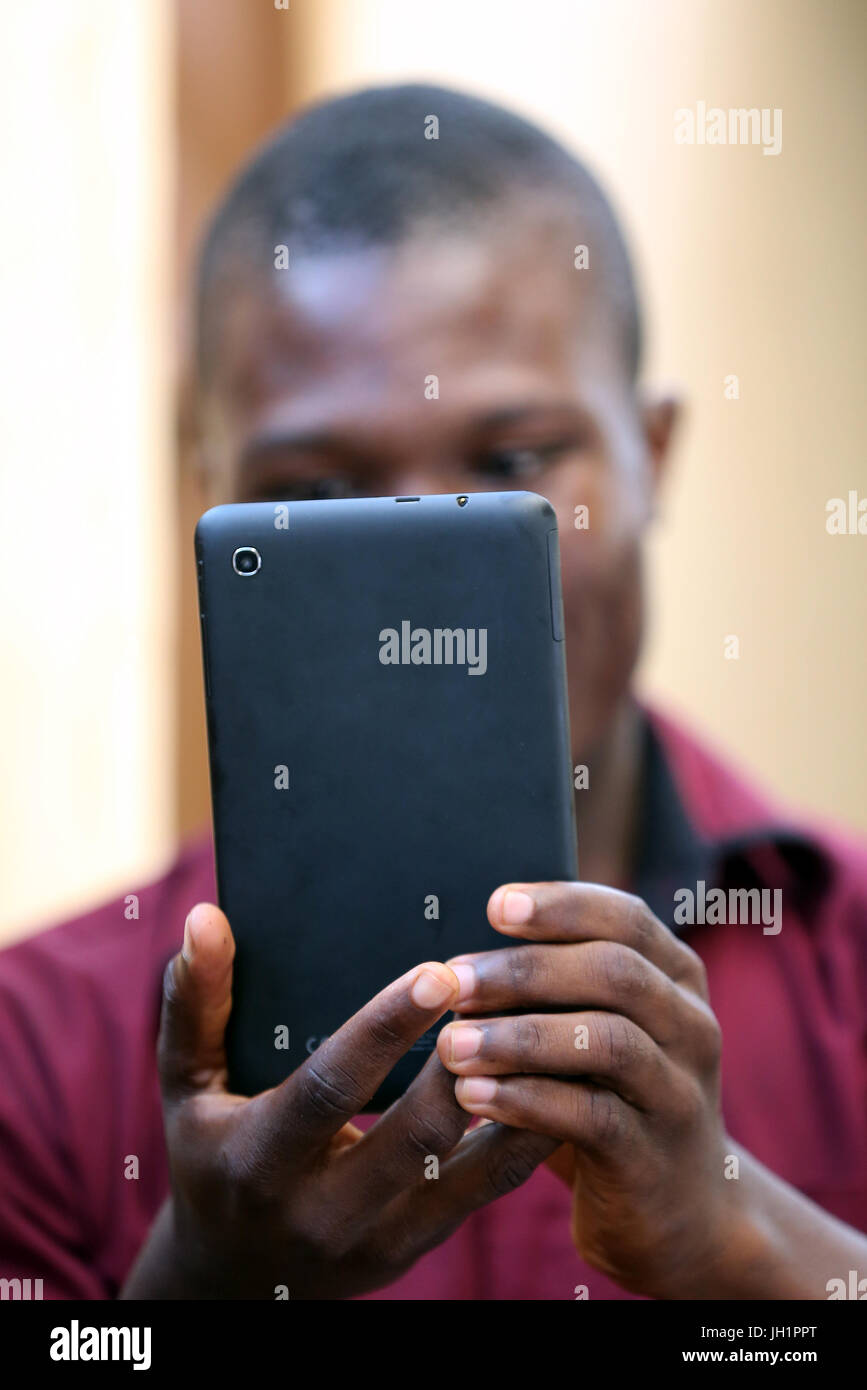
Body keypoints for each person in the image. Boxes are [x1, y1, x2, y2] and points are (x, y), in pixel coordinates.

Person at [2, 84, 866, 1302]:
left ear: (652, 454)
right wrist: (199, 1281)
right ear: (204, 497)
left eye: (513, 466)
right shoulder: (32, 1049)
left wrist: (745, 1244)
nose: (434, 599)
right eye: (315, 486)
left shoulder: (849, 962)